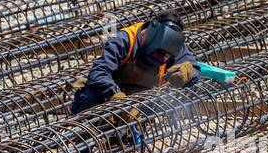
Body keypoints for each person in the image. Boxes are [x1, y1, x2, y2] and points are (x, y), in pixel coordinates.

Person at [70, 12, 199, 115]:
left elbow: (195, 69)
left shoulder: (174, 46)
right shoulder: (124, 40)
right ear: (149, 32)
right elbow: (98, 72)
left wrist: (187, 73)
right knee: (89, 97)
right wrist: (116, 97)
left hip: (139, 101)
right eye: (157, 52)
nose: (160, 57)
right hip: (108, 96)